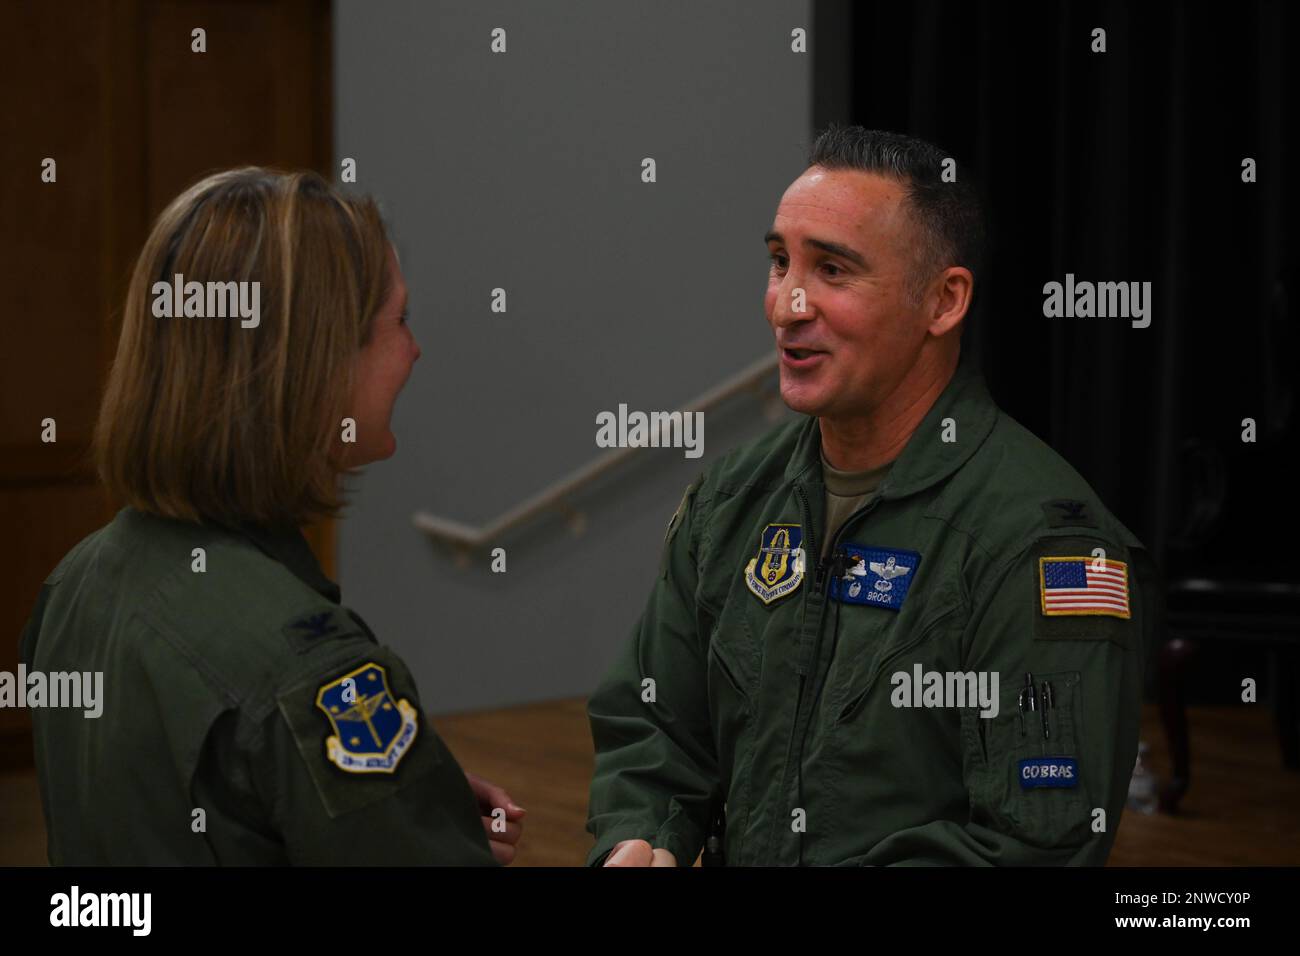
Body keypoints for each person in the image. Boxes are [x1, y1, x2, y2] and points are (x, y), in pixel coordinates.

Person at [586, 127, 1153, 866]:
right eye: (779, 262)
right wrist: (644, 836)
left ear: (943, 302)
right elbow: (655, 721)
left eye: (832, 270)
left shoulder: (1043, 544)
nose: (788, 304)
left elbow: (1035, 843)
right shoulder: (732, 500)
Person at [19, 167, 524, 865]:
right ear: (313, 369)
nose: (415, 350)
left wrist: (411, 800)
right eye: (398, 321)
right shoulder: (315, 673)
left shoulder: (76, 583)